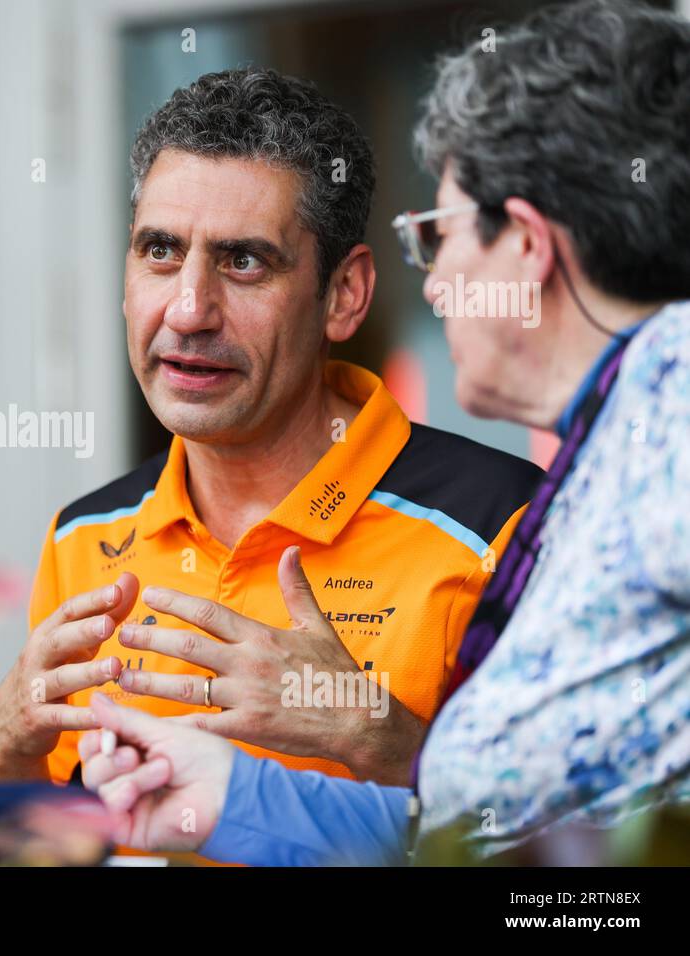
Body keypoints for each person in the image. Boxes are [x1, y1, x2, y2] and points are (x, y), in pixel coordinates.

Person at [82, 0, 690, 863]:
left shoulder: (675, 418)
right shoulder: (616, 444)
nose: (434, 287)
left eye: (436, 237)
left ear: (523, 245)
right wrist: (228, 794)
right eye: (159, 252)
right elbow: (524, 841)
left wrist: (369, 730)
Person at [0, 68, 541, 791]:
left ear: (343, 295)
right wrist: (8, 757)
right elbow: (52, 841)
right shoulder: (81, 537)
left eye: (243, 261)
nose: (188, 310)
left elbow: (582, 868)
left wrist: (378, 734)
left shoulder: (505, 527)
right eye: (160, 250)